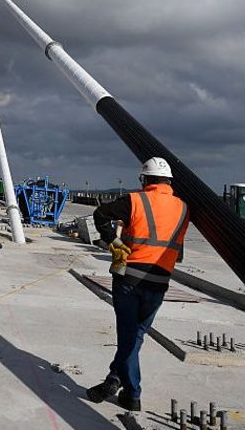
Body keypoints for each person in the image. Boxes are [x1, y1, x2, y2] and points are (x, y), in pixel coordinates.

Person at [85, 157, 189, 411]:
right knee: (137, 335)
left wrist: (114, 242)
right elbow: (179, 250)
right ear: (169, 181)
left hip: (129, 277)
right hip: (160, 281)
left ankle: (131, 391)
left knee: (128, 336)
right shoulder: (183, 208)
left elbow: (100, 214)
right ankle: (118, 382)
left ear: (145, 179)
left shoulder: (135, 200)